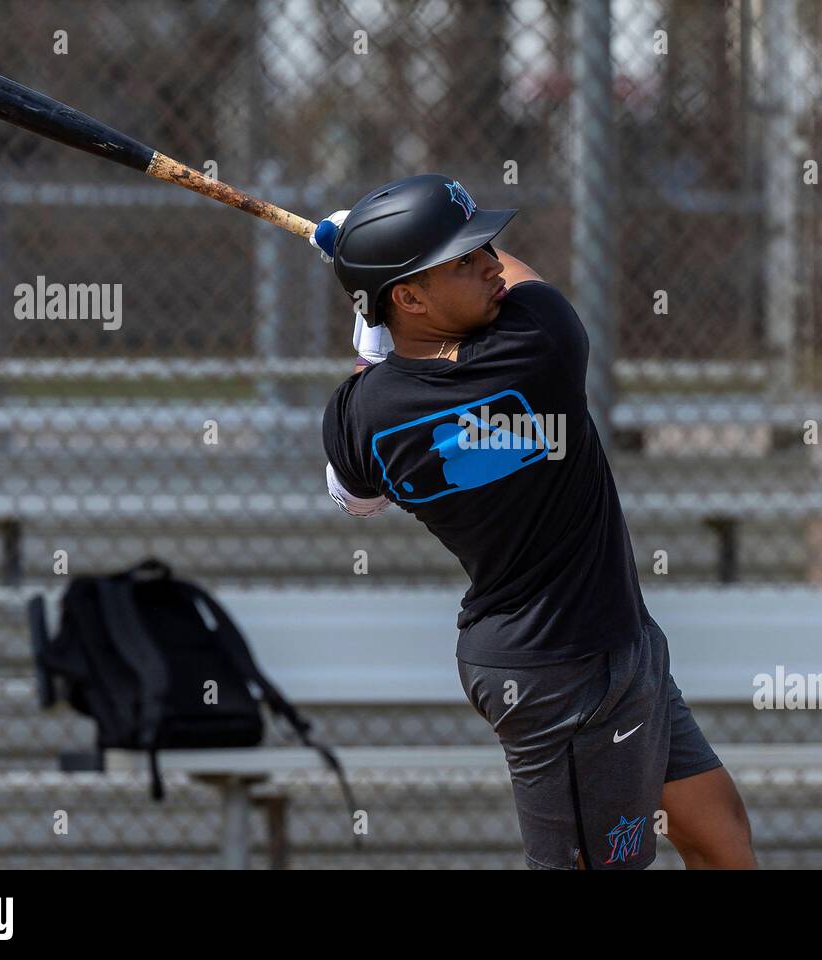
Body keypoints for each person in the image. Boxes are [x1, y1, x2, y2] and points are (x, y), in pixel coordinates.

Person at [318, 173, 757, 870]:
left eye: (485, 246)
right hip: (561, 671)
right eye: (464, 260)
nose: (491, 262)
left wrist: (374, 316)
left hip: (596, 638)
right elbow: (523, 284)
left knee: (718, 834)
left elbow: (357, 496)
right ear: (409, 296)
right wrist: (366, 256)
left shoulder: (359, 414)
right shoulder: (540, 347)